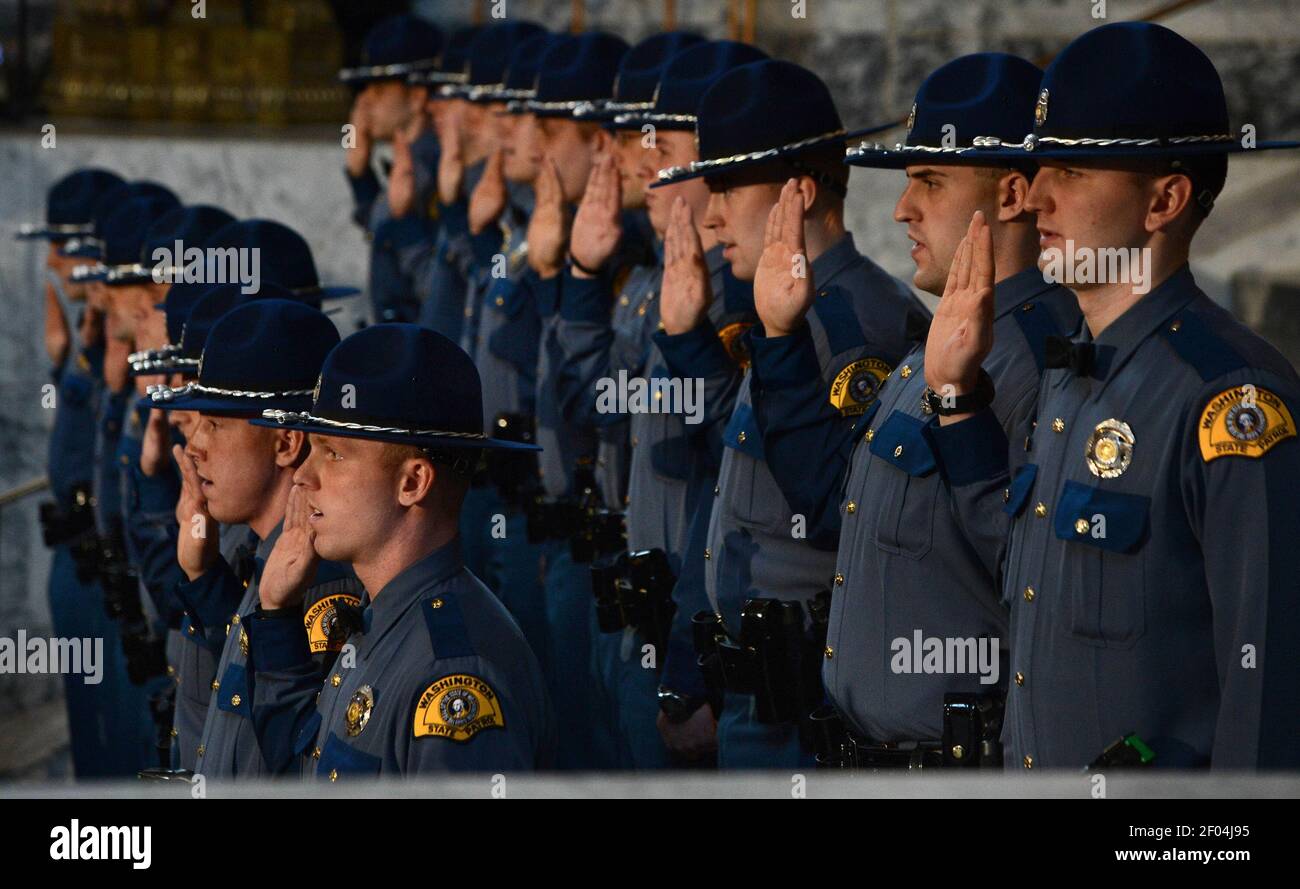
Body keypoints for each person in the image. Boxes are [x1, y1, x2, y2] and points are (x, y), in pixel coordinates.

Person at [924, 22, 1300, 768]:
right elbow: (1026, 572)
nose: (1034, 199)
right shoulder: (1073, 371)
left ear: (1164, 199)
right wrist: (957, 400)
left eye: (1073, 172)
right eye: (1038, 170)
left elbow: (1270, 691)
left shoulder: (1229, 398)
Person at [748, 54, 1081, 767]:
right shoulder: (935, 346)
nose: (903, 209)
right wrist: (780, 341)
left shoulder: (1041, 361)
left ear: (1015, 193)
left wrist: (962, 407)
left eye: (930, 181)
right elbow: (830, 500)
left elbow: (1043, 578)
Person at [651, 59, 928, 768]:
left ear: (798, 193)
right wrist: (687, 342)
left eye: (727, 188)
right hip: (751, 695)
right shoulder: (791, 311)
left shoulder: (855, 325)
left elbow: (842, 503)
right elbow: (746, 473)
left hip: (804, 710)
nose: (711, 215)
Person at [559, 38, 767, 767]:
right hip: (635, 614)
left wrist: (688, 661)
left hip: (689, 638)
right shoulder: (662, 283)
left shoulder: (743, 300)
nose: (641, 162)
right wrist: (583, 274)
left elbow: (734, 494)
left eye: (664, 141)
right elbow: (589, 409)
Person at [245, 324, 556, 777]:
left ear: (412, 483)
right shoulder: (382, 620)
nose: (302, 476)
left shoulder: (453, 671)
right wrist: (277, 618)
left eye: (333, 453)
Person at [148, 294, 363, 779]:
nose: (195, 446)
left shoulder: (319, 582)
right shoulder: (261, 556)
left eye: (216, 425)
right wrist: (204, 575)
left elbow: (293, 760)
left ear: (286, 442)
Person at [340, 13, 445, 324]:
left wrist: (404, 223)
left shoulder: (438, 167)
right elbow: (385, 243)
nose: (366, 101)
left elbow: (441, 287)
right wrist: (361, 176)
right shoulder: (410, 158)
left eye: (379, 89)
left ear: (416, 96)